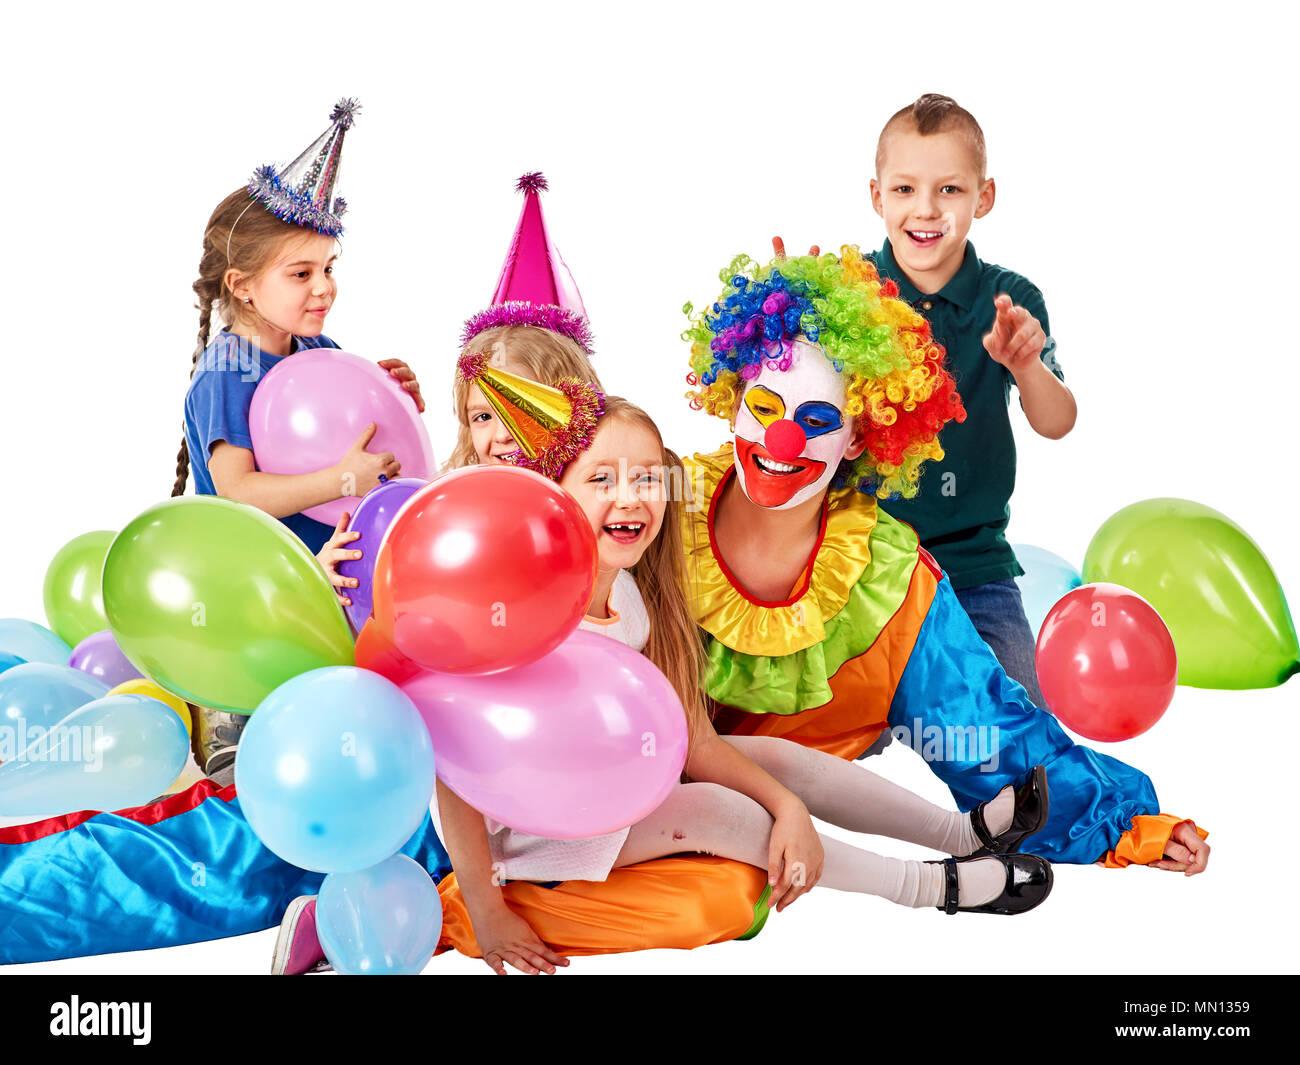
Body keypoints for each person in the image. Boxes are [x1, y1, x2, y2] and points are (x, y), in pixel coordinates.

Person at [436, 383, 1053, 975]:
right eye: (600, 479)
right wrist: (486, 910)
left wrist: (788, 805)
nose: (628, 498)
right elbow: (457, 770)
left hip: (616, 778)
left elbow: (693, 741)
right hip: (531, 831)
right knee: (713, 808)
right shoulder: (529, 616)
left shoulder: (629, 596)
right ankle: (931, 888)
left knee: (771, 757)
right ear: (558, 492)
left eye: (647, 478)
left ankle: (958, 832)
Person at [172, 100, 425, 781]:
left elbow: (355, 439)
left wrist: (395, 399)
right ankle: (224, 702)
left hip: (328, 574)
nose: (326, 287)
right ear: (243, 287)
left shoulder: (318, 349)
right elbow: (240, 491)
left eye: (329, 266)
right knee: (269, 686)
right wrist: (346, 479)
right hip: (258, 585)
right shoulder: (227, 371)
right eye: (302, 273)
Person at [863, 92, 1074, 706]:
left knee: (1026, 742)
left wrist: (1027, 364)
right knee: (815, 737)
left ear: (983, 197)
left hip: (974, 570)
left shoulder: (1010, 297)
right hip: (858, 564)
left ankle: (1013, 802)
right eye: (904, 189)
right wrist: (783, 322)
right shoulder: (850, 292)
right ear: (877, 196)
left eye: (949, 190)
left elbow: (1057, 422)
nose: (925, 209)